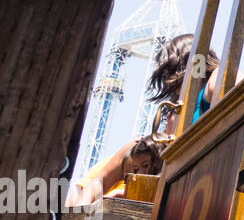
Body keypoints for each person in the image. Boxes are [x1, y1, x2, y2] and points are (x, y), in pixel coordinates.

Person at [67, 35, 220, 205]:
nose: (170, 121)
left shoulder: (209, 85)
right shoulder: (145, 148)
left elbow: (224, 78)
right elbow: (94, 185)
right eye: (169, 114)